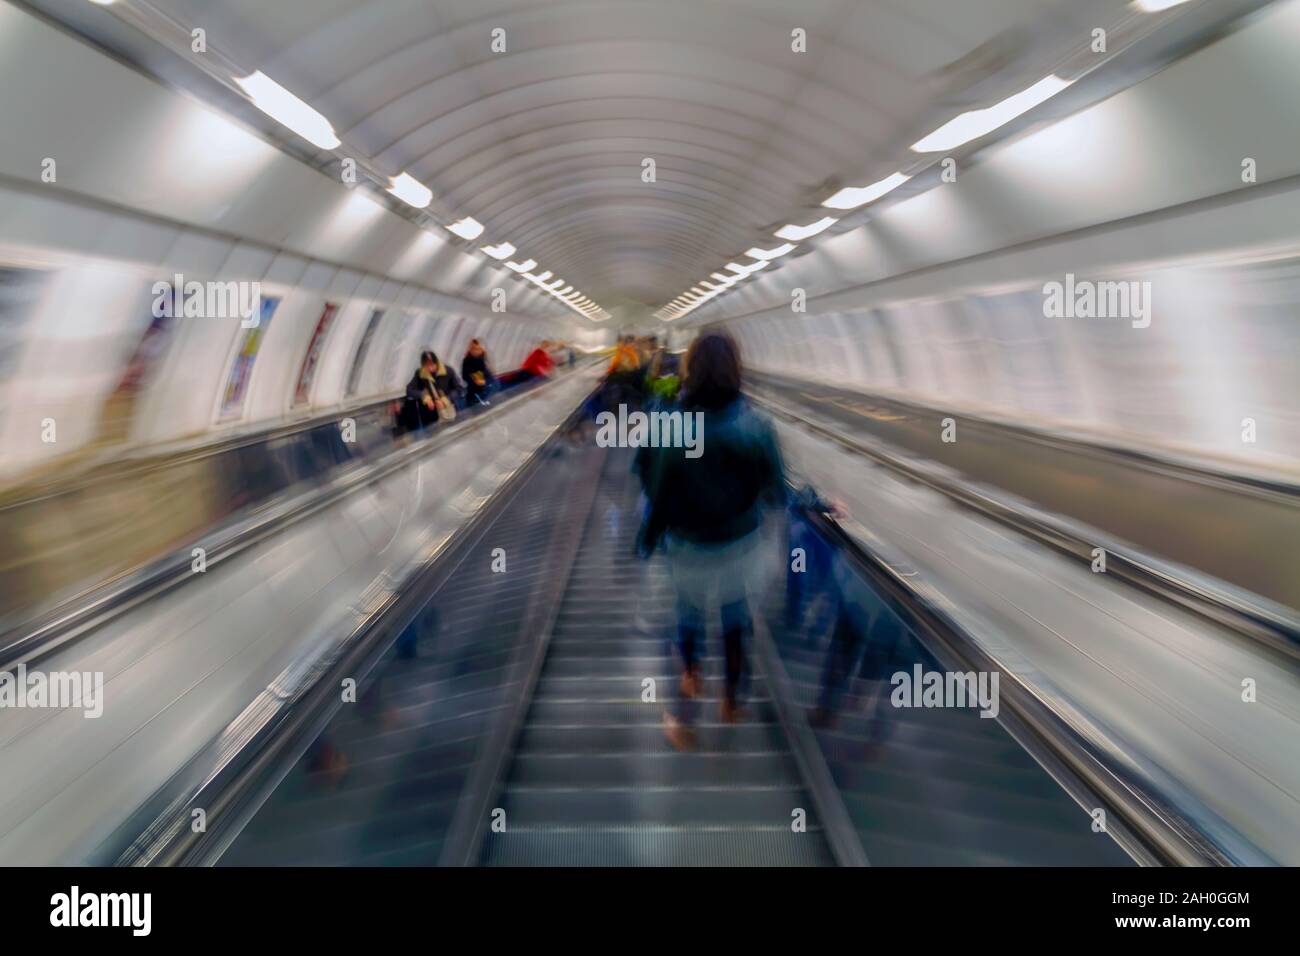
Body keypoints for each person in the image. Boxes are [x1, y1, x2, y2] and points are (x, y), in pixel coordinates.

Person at [635, 332, 787, 750]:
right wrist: (821, 502)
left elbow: (656, 493)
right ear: (736, 370)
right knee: (736, 624)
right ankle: (733, 701)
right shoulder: (757, 424)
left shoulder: (671, 423)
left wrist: (647, 540)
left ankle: (685, 702)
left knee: (686, 619)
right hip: (741, 548)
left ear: (691, 370)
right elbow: (778, 492)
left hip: (688, 549)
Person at [399, 350, 456, 433]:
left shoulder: (448, 371)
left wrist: (445, 400)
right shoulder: (420, 373)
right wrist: (424, 396)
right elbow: (409, 390)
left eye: (432, 364)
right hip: (429, 415)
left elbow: (459, 389)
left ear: (436, 362)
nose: (430, 368)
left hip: (447, 411)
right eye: (427, 365)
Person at [461, 338, 497, 407]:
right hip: (472, 393)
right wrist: (472, 378)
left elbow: (491, 376)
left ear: (481, 350)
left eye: (477, 349)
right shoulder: (467, 360)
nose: (475, 351)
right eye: (472, 348)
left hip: (485, 392)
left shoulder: (484, 360)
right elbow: (464, 376)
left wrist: (485, 381)